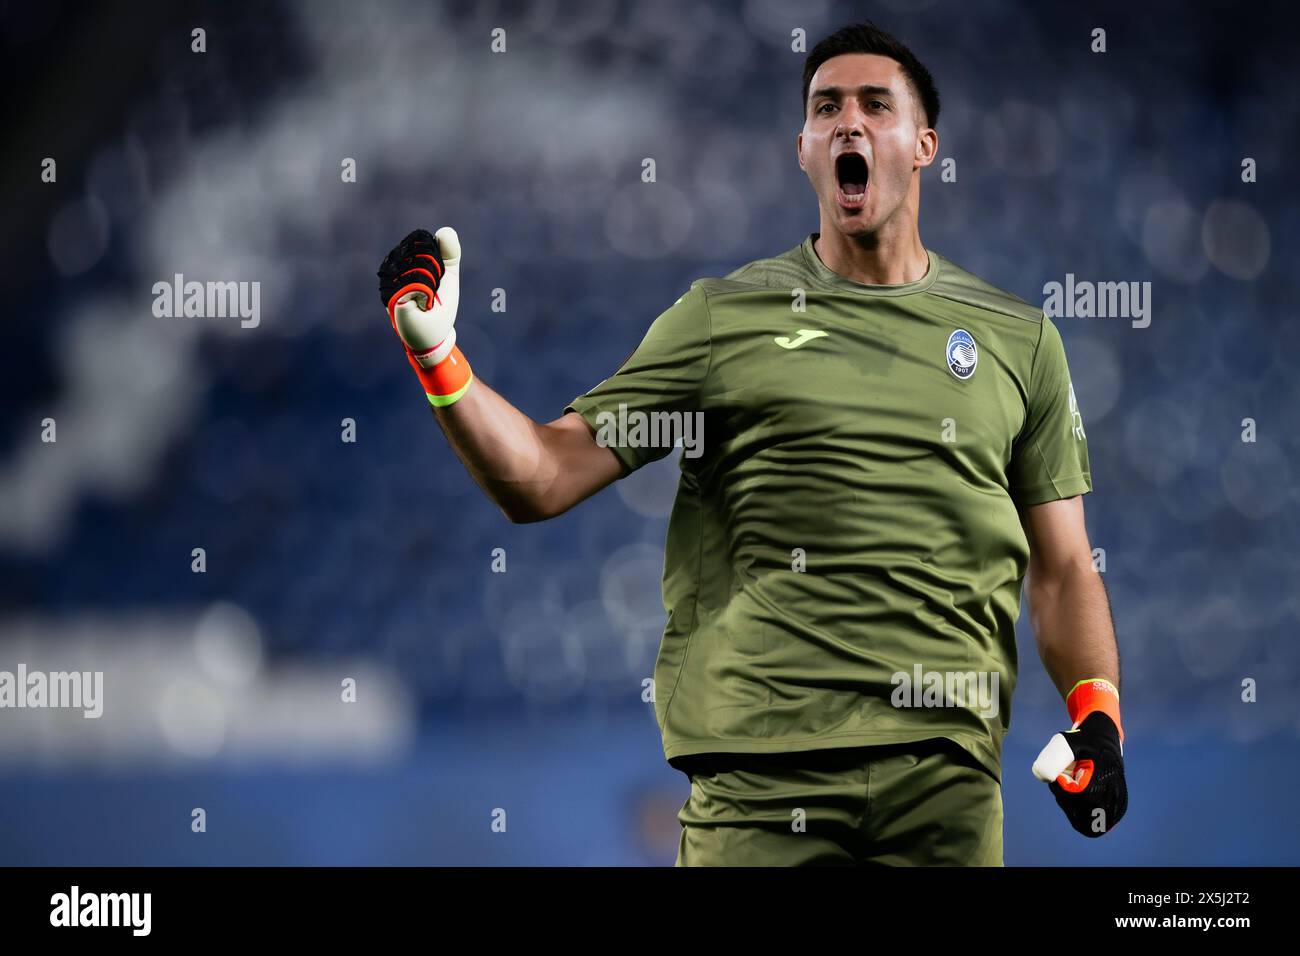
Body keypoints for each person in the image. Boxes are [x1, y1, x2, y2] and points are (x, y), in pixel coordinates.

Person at [375, 20, 1126, 866]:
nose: (849, 122)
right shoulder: (721, 319)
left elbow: (1063, 568)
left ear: (923, 146)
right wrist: (439, 355)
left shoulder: (1020, 341)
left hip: (945, 784)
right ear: (803, 148)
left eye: (875, 105)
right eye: (826, 107)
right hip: (762, 788)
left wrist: (1097, 716)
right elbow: (543, 476)